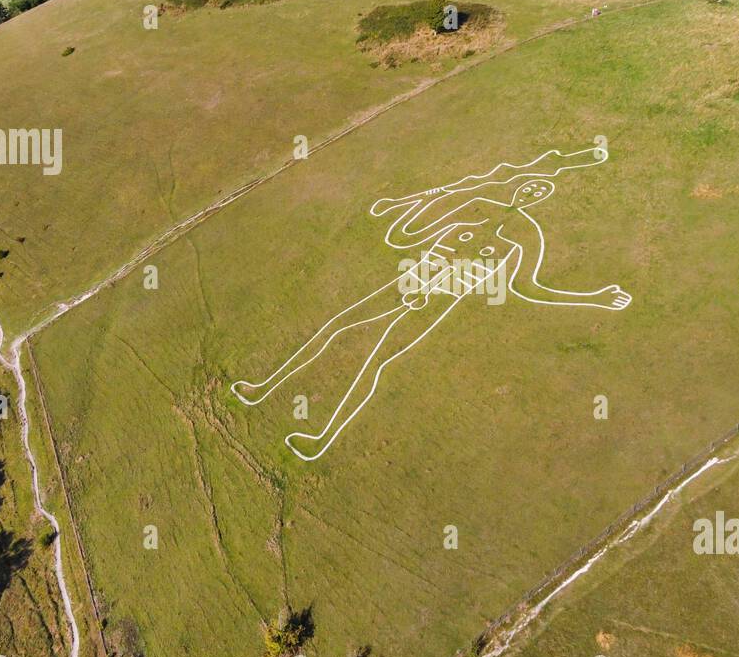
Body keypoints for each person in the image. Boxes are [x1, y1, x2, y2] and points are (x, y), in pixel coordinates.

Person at [232, 147, 631, 460]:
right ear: (517, 187)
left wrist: (593, 297)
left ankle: (320, 436)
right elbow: (407, 238)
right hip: (408, 281)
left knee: (377, 359)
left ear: (541, 199)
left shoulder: (525, 235)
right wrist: (414, 207)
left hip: (441, 300)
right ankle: (263, 387)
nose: (531, 192)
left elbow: (529, 287)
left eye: (538, 192)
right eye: (529, 186)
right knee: (338, 327)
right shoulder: (477, 208)